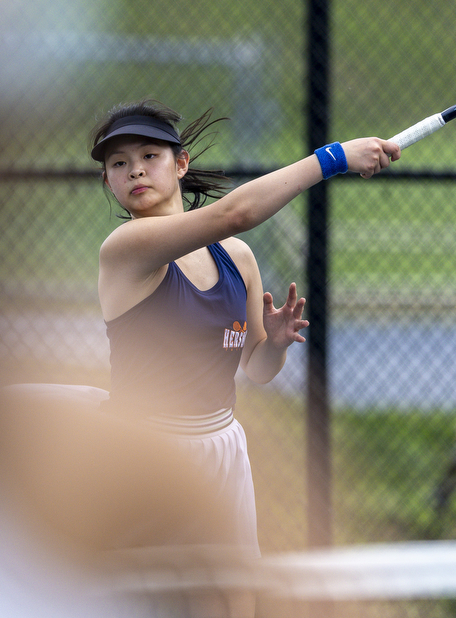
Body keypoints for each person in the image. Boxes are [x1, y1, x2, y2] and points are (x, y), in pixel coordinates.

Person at [90, 98, 399, 616]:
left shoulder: (237, 258)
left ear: (180, 164)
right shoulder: (125, 248)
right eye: (118, 163)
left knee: (235, 605)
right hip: (147, 451)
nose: (135, 169)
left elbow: (254, 369)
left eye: (149, 155)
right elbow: (236, 211)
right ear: (108, 183)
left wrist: (273, 343)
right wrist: (334, 158)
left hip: (224, 447)